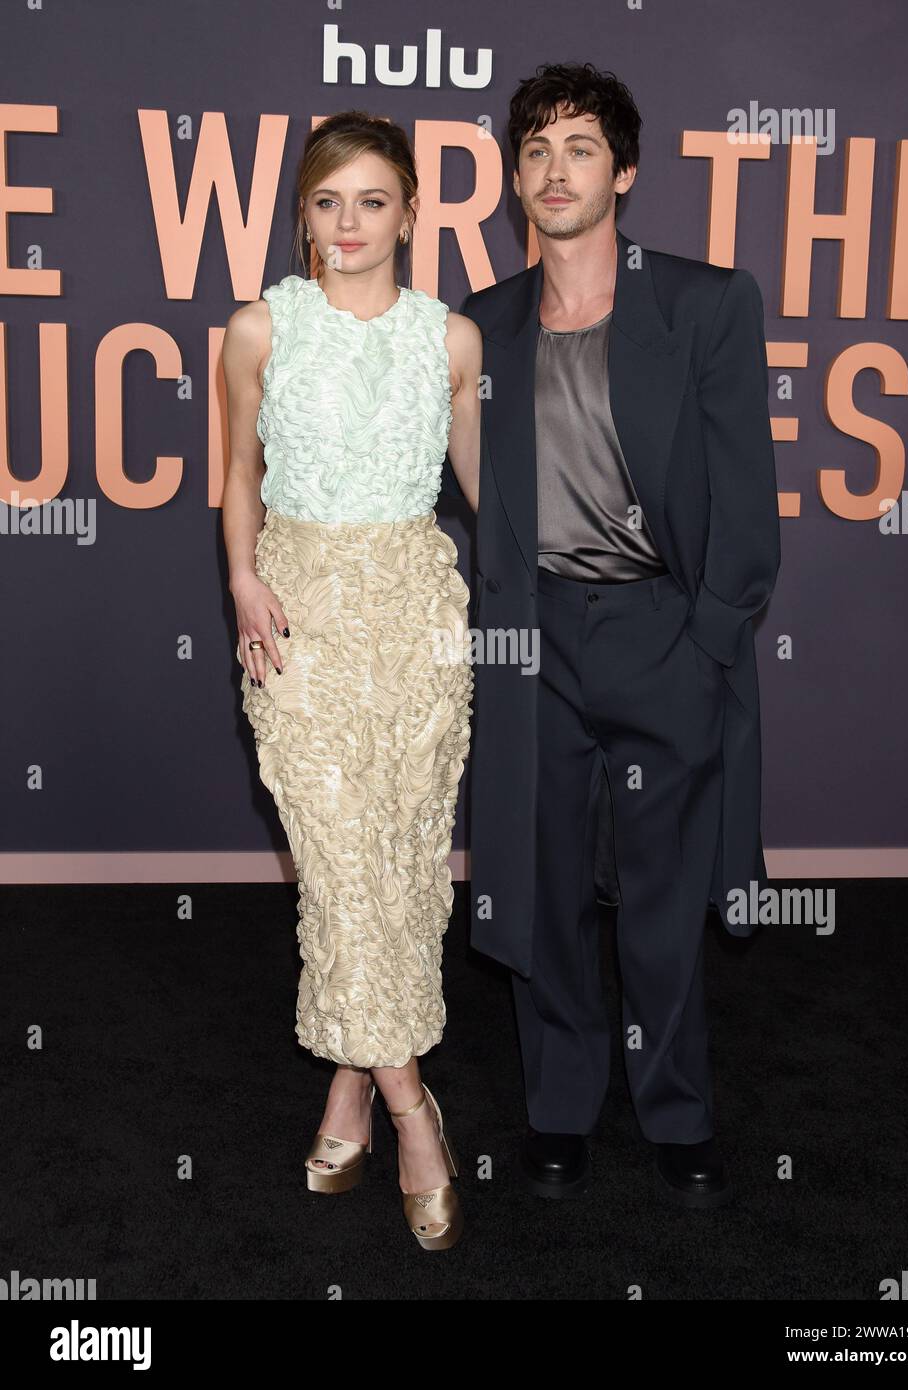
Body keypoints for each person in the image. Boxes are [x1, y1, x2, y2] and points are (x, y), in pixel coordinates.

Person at [440, 63, 781, 1208]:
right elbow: (458, 496)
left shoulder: (704, 303)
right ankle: (558, 1107)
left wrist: (707, 646)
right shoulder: (479, 327)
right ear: (513, 180)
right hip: (532, 639)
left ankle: (676, 1109)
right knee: (537, 888)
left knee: (662, 893)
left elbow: (745, 503)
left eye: (579, 147)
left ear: (624, 172)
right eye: (534, 150)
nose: (554, 169)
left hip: (657, 629)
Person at [221, 111, 482, 1251]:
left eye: (372, 201)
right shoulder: (259, 326)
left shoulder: (453, 341)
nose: (347, 224)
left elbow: (491, 493)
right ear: (304, 216)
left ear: (411, 214)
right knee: (334, 854)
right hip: (300, 610)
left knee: (406, 860)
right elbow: (237, 474)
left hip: (418, 613)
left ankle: (346, 1091)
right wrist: (240, 578)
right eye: (327, 202)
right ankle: (415, 1106)